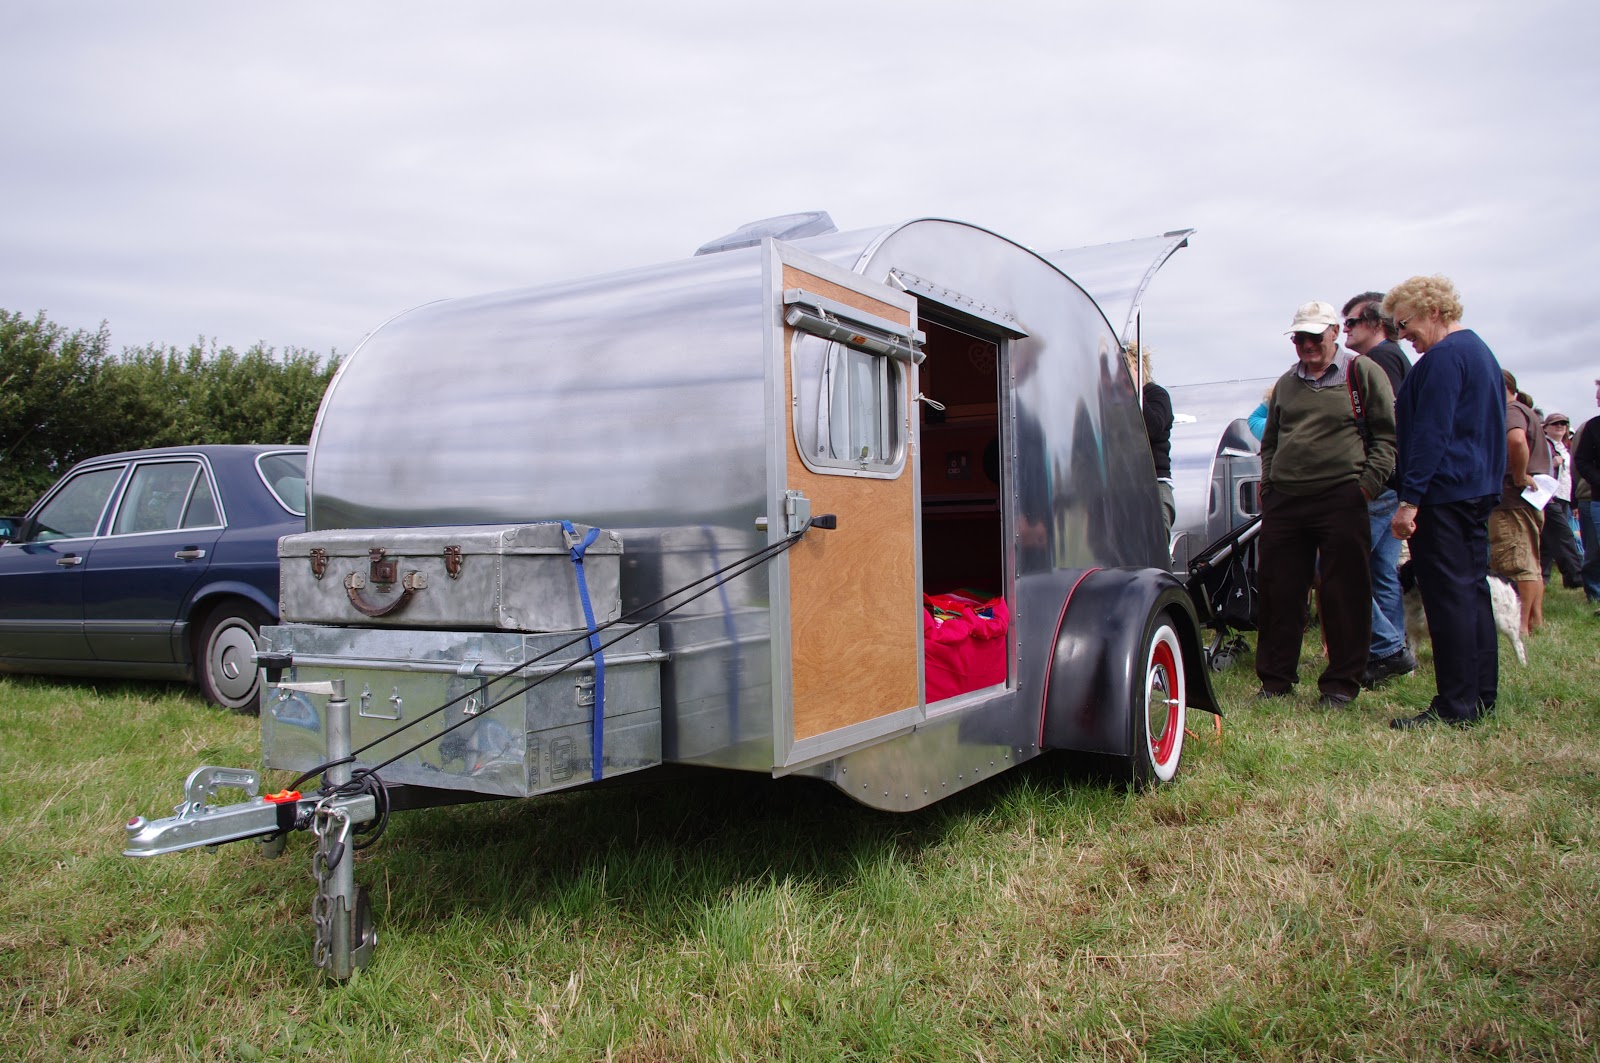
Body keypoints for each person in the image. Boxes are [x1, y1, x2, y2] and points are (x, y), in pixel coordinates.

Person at [1255, 301, 1395, 708]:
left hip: (1341, 497)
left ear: (1334, 332)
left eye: (1315, 335)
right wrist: (1269, 484)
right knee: (1278, 591)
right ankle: (1275, 680)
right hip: (1285, 499)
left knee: (1344, 592)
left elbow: (1386, 437)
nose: (1307, 344)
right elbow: (1272, 441)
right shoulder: (1286, 383)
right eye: (1299, 337)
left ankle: (1340, 685)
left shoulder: (1362, 372)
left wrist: (1365, 488)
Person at [1384, 276, 1505, 729]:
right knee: (1472, 594)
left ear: (1432, 311)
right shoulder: (1480, 353)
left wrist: (1410, 500)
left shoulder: (1442, 359)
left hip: (1444, 494)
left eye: (1407, 325)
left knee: (1448, 599)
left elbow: (1432, 433)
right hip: (1474, 489)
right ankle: (1480, 696)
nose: (1405, 337)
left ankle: (1455, 706)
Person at [1341, 292, 1415, 686]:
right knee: (1381, 571)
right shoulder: (1398, 359)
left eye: (1350, 322)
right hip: (1395, 480)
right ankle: (1391, 652)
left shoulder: (1376, 361)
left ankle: (1386, 647)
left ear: (1374, 323)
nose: (1345, 331)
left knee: (1338, 565)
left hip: (1378, 481)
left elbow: (1380, 425)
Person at [1488, 369, 1549, 634]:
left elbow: (1515, 439)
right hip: (1527, 501)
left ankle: (1521, 625)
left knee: (1516, 563)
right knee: (1530, 562)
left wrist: (1520, 474)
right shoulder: (1525, 410)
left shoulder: (1511, 411)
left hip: (1512, 499)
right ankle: (1534, 620)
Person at [1124, 344, 1176, 539]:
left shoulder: (1156, 395)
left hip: (1154, 483)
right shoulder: (1110, 403)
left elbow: (1151, 429)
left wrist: (1136, 392)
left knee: (1156, 542)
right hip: (1121, 487)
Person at [1540, 412, 1584, 589]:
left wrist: (1574, 502)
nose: (1560, 426)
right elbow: (1538, 466)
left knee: (1549, 541)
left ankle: (1543, 578)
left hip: (1563, 497)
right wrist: (1553, 463)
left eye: (1564, 423)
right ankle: (1575, 577)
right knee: (1563, 535)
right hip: (1550, 497)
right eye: (1555, 423)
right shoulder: (1545, 445)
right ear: (1546, 427)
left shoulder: (1564, 447)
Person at [1575, 383, 1600, 612]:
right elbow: (1581, 460)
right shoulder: (1592, 427)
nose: (1598, 401)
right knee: (1595, 550)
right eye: (1597, 397)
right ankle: (1595, 593)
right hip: (1598, 498)